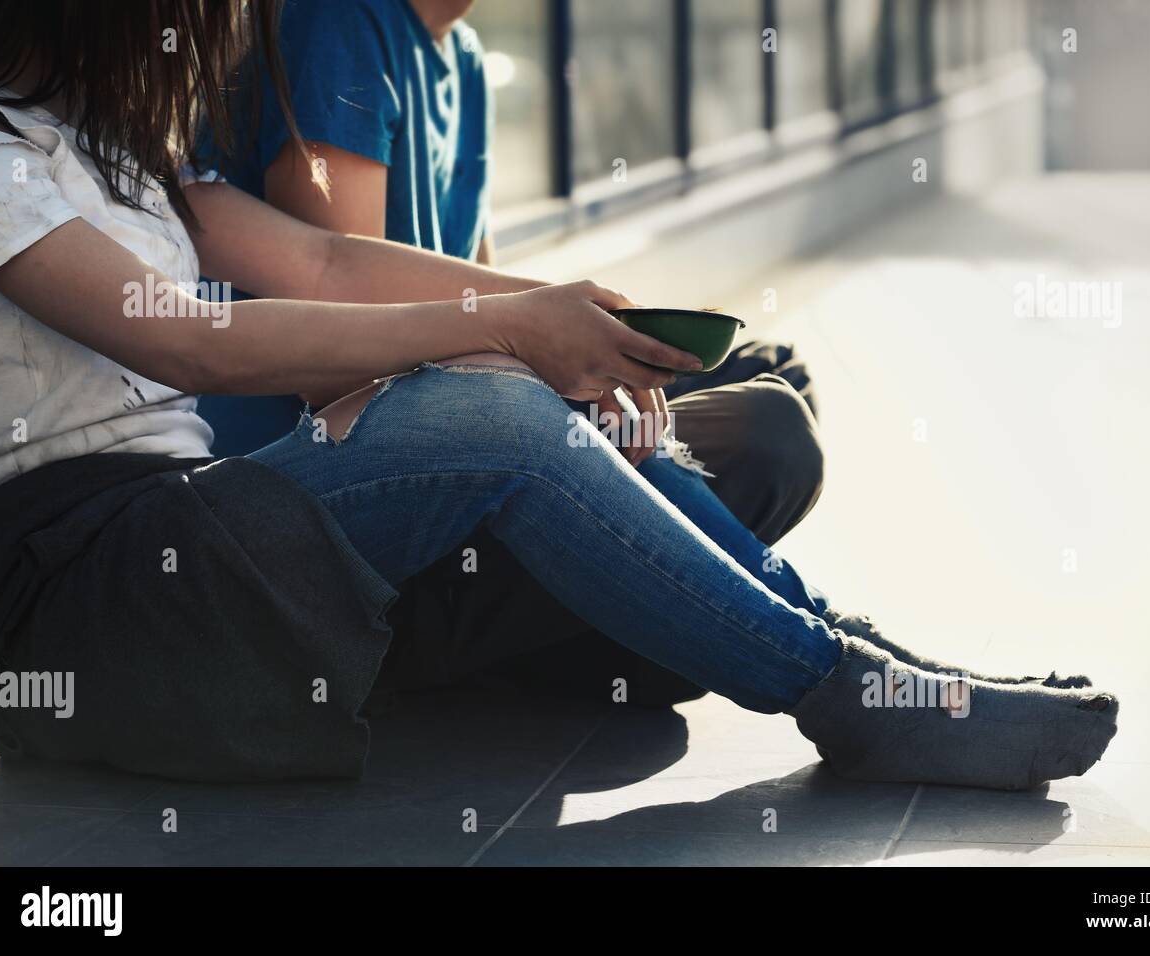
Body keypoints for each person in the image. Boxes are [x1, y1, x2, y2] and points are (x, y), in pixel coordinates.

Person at [0, 0, 1117, 790]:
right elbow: (197, 346)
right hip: (87, 588)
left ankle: (860, 653)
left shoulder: (121, 161)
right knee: (505, 413)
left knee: (597, 416)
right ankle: (844, 693)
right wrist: (505, 330)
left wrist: (579, 319)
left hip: (209, 530)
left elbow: (325, 264)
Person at [195, 0, 825, 706]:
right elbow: (343, 351)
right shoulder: (339, 21)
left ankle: (632, 626)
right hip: (380, 487)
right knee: (767, 431)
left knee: (770, 370)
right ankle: (813, 644)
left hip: (459, 416)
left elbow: (490, 303)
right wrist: (572, 377)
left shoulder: (461, 55)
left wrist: (597, 345)